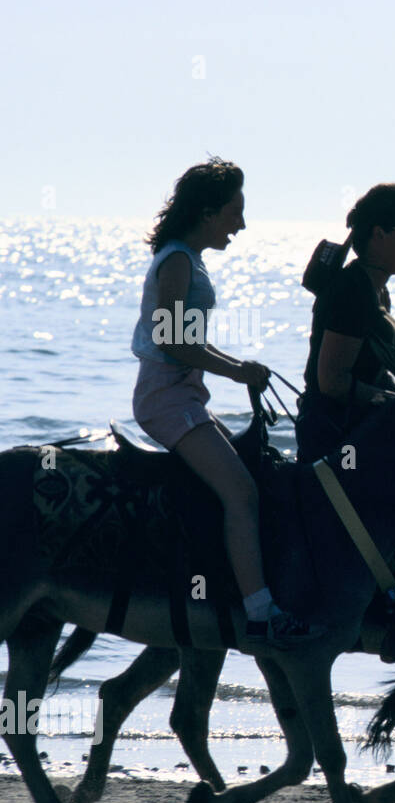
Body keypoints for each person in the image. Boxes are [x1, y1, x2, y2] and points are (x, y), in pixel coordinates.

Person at [131, 157, 314, 643]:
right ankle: (260, 614)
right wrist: (237, 371)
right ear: (208, 212)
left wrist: (241, 368)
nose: (242, 224)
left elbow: (189, 339)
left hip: (183, 394)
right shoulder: (176, 261)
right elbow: (170, 339)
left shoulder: (188, 259)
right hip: (165, 397)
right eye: (235, 212)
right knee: (242, 493)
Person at [296, 183, 395, 463]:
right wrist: (391, 401)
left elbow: (372, 373)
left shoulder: (377, 290)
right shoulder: (352, 290)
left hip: (358, 427)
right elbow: (332, 381)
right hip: (337, 439)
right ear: (378, 234)